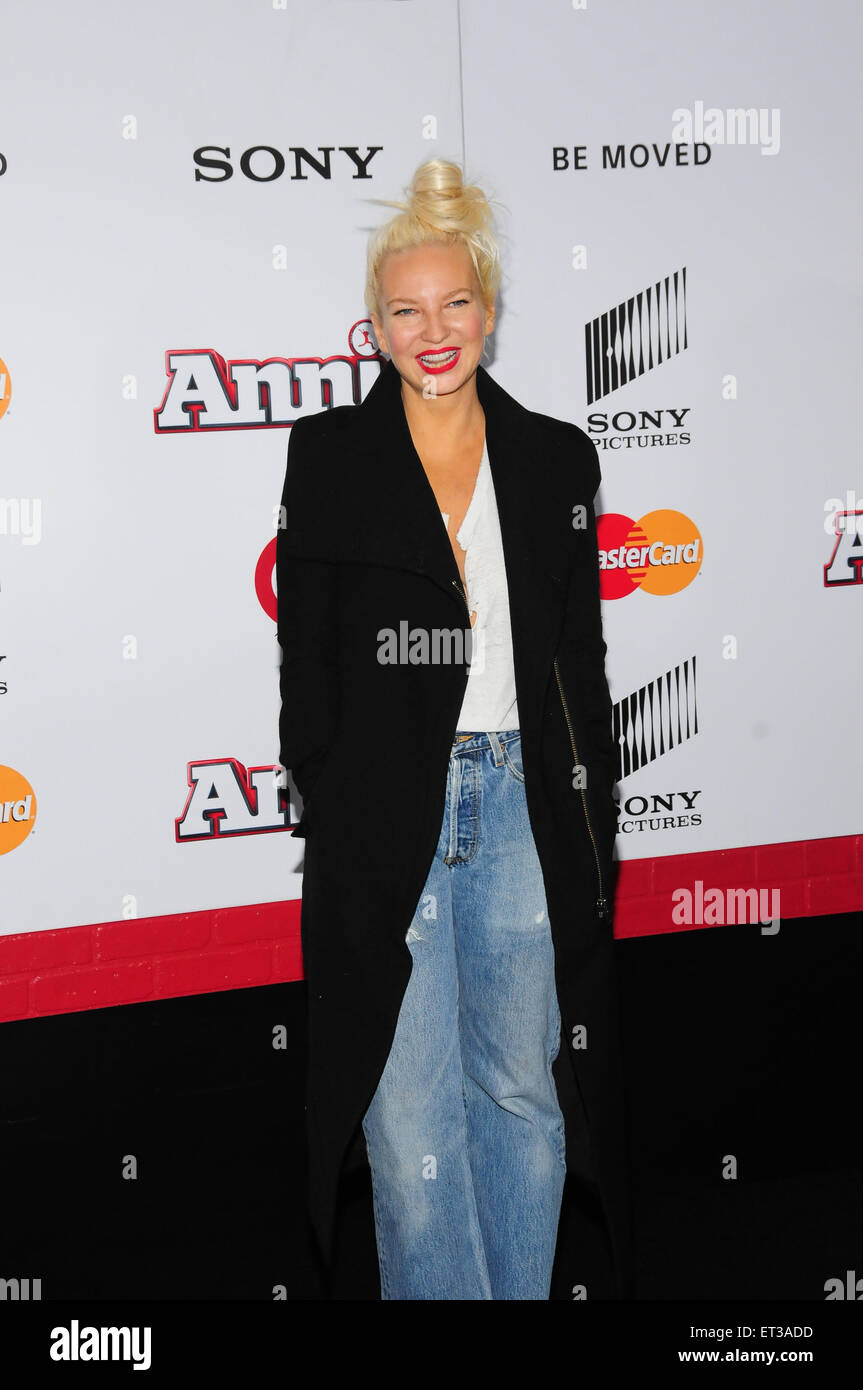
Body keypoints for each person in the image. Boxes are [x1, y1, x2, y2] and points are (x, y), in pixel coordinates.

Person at [277, 158, 633, 1300]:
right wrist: (330, 794)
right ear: (371, 324)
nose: (433, 332)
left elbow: (577, 663)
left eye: (455, 304)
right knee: (406, 1121)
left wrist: (592, 810)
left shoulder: (551, 460)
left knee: (522, 1097)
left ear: (488, 305)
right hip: (388, 821)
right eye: (404, 309)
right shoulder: (329, 457)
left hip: (525, 805)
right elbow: (310, 660)